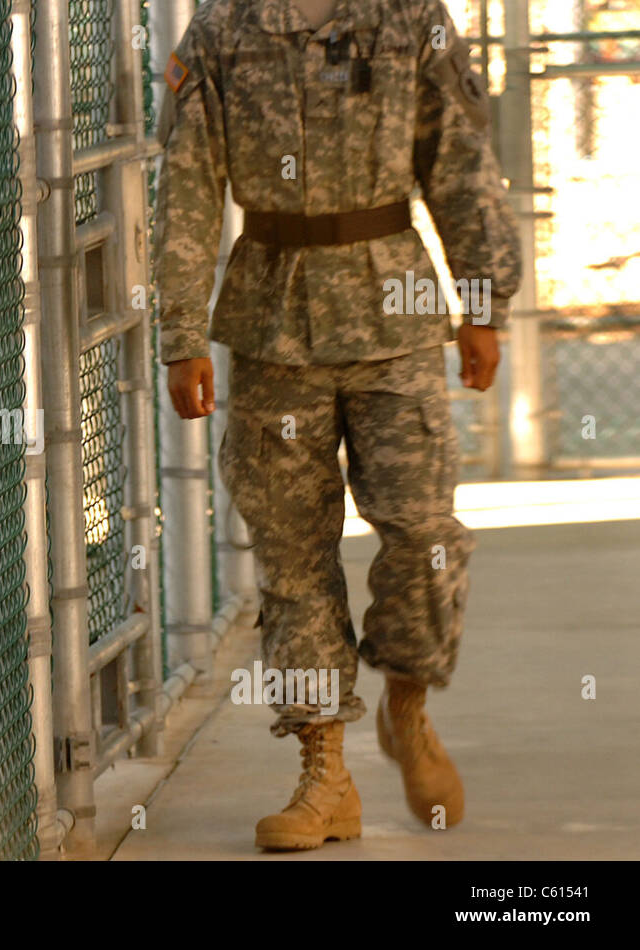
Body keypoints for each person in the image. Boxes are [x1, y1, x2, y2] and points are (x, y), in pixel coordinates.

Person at [153, 0, 521, 850]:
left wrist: (482, 301)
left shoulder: (408, 17)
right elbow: (188, 180)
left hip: (393, 311)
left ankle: (407, 704)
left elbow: (459, 160)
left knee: (423, 531)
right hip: (273, 318)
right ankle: (325, 776)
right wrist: (179, 332)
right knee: (292, 559)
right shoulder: (220, 31)